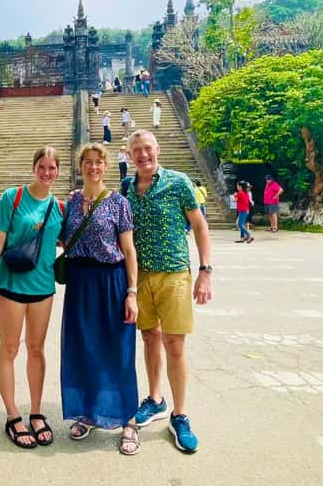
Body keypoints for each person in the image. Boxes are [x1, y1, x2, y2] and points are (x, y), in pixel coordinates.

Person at [121, 130, 213, 455]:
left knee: (174, 344)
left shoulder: (178, 182)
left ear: (157, 149)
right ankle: (156, 399)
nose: (143, 155)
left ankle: (180, 414)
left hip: (174, 274)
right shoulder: (126, 189)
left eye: (147, 148)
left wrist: (205, 271)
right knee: (149, 337)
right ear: (129, 155)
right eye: (136, 151)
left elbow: (200, 225)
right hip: (140, 277)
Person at [0, 147, 65, 450]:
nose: (46, 172)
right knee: (11, 347)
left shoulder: (59, 207)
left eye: (52, 167)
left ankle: (37, 412)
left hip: (43, 286)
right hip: (11, 284)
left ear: (58, 171)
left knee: (37, 348)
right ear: (34, 167)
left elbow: (69, 241)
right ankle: (13, 415)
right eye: (41, 166)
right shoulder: (12, 198)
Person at [60, 143, 141, 455]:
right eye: (88, 162)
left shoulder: (119, 203)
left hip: (111, 281)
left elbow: (129, 250)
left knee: (118, 350)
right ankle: (90, 412)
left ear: (106, 166)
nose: (93, 167)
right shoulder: (71, 202)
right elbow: (62, 238)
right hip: (80, 283)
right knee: (84, 347)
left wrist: (132, 293)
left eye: (98, 162)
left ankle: (128, 420)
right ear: (80, 166)